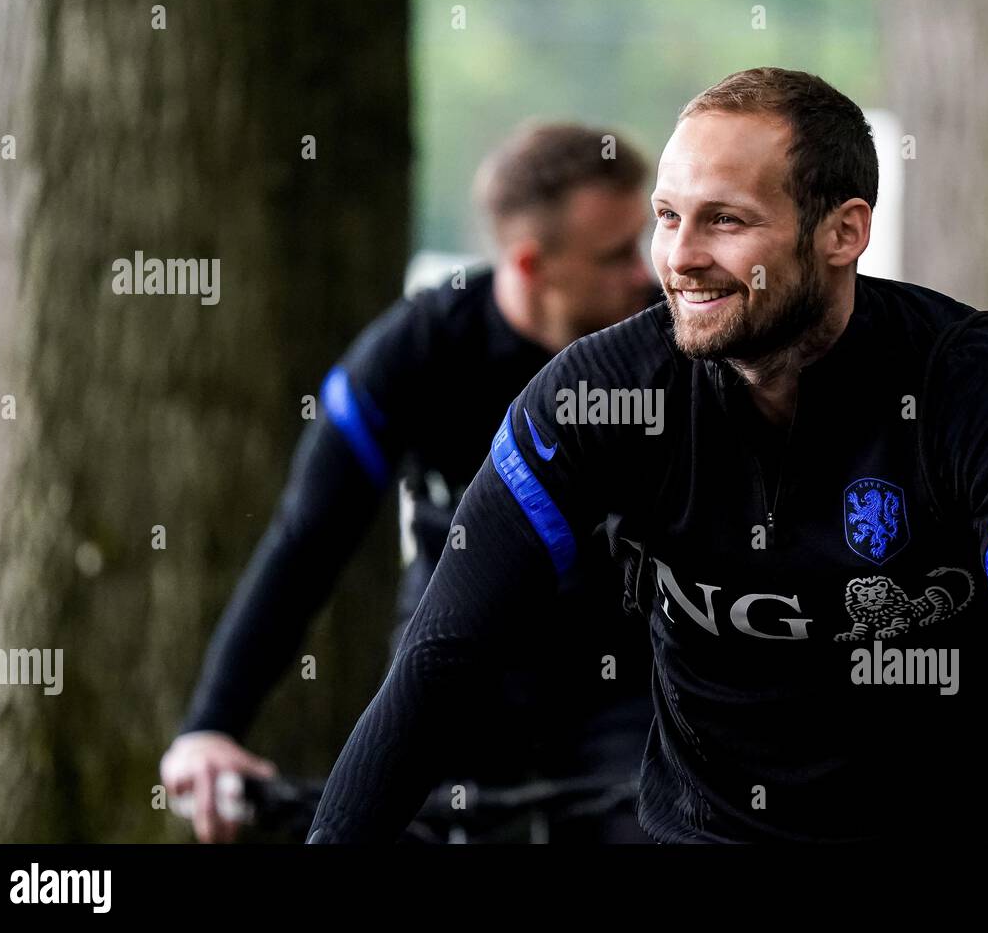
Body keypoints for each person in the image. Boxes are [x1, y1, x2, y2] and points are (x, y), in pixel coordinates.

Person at [307, 66, 988, 844]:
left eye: (726, 220)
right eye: (668, 217)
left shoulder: (979, 383)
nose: (679, 257)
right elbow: (444, 656)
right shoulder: (599, 396)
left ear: (843, 232)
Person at [161, 122, 660, 843]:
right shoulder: (418, 349)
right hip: (456, 663)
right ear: (531, 264)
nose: (646, 273)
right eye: (616, 255)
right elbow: (305, 543)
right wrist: (209, 727)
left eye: (642, 241)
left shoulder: (666, 345)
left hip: (621, 680)